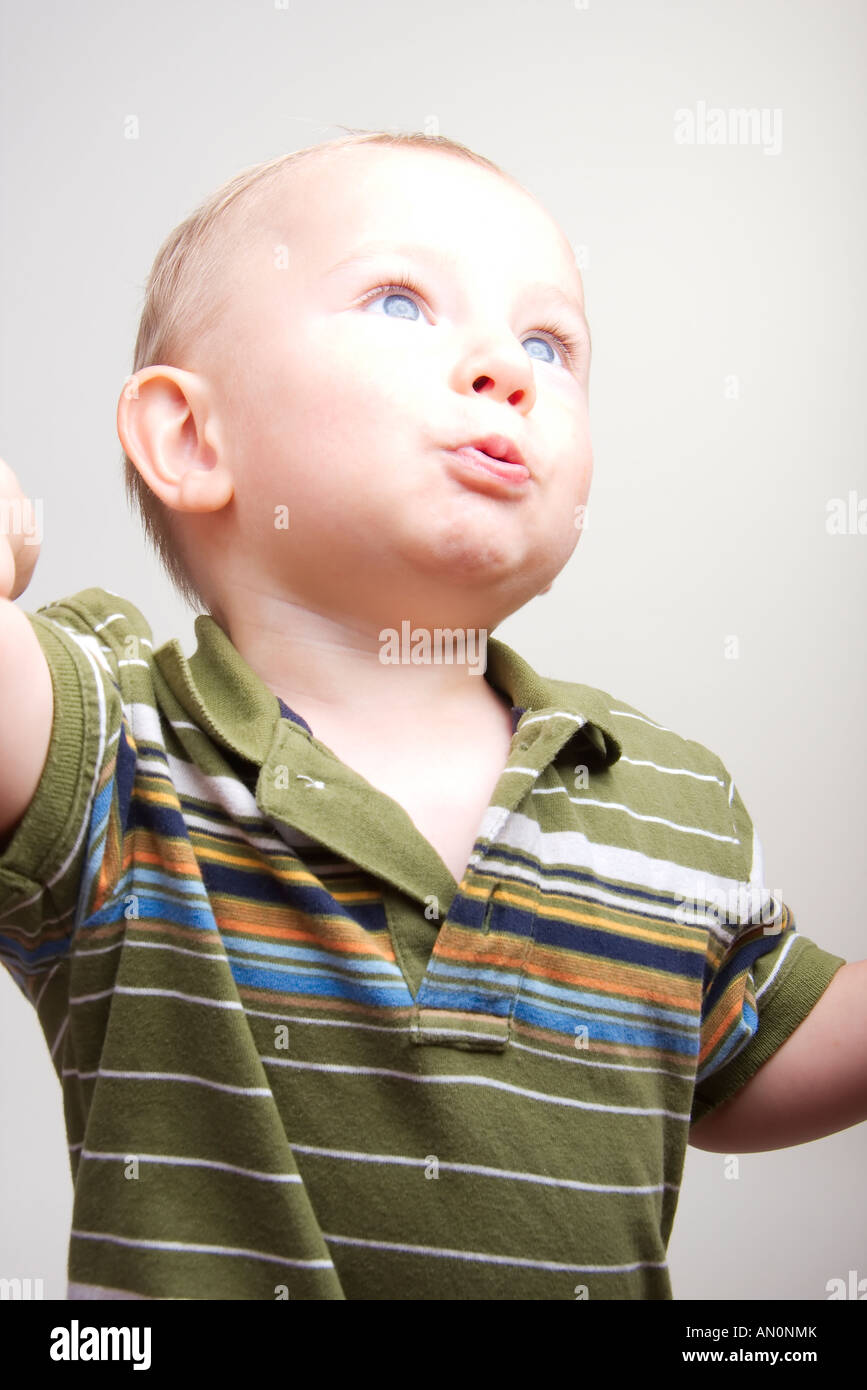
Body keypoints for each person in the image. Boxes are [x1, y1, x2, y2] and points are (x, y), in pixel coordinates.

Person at [0, 129, 862, 1301]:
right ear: (192, 438)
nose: (506, 366)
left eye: (549, 342)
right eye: (400, 301)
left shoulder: (670, 794)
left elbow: (752, 1059)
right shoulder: (110, 744)